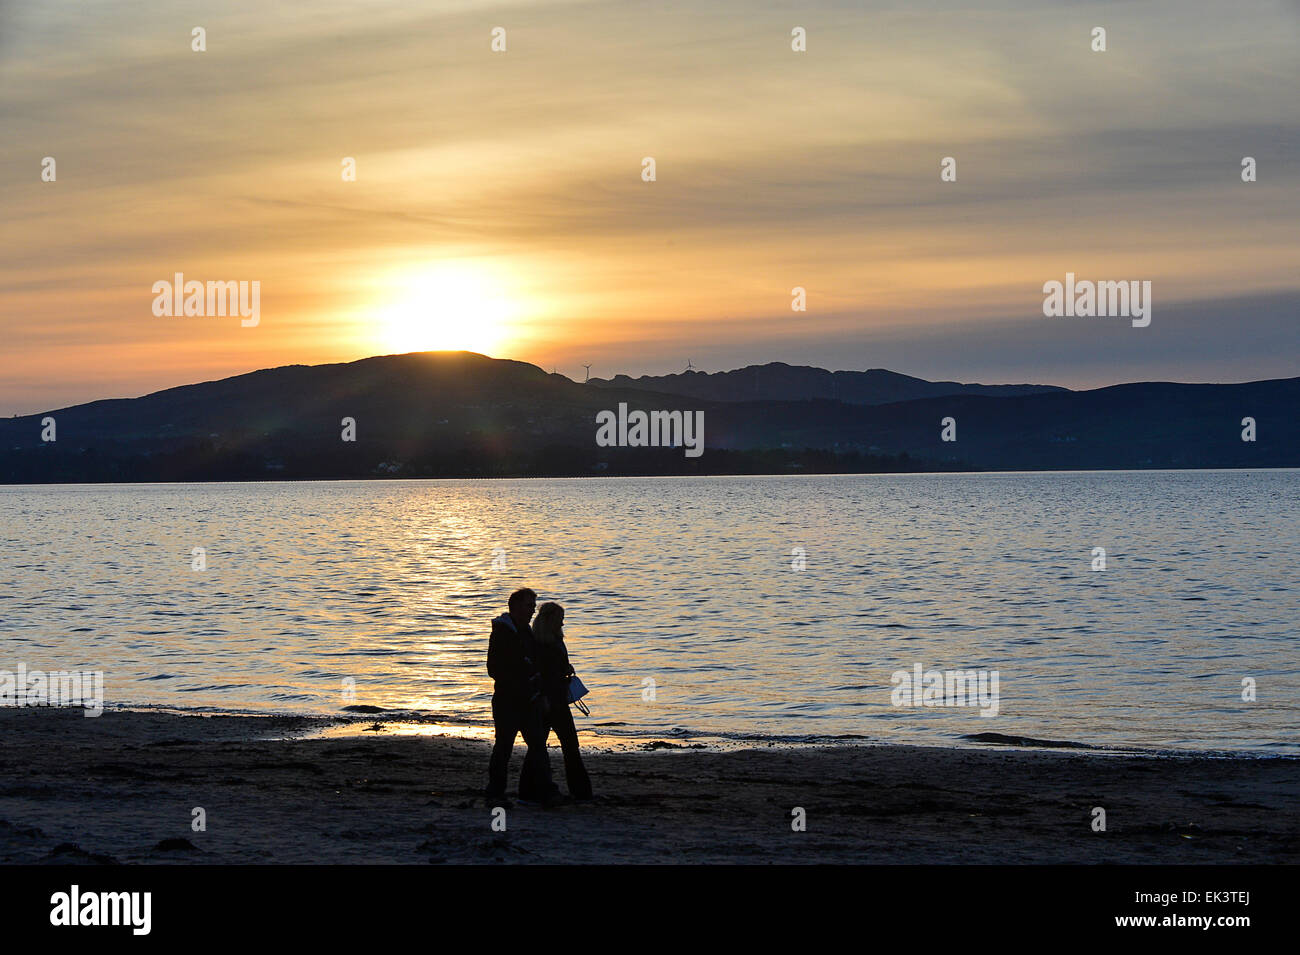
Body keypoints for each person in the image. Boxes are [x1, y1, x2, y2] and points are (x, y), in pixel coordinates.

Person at [485, 588, 561, 806]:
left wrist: (539, 688)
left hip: (529, 700)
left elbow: (536, 662)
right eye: (529, 606)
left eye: (533, 606)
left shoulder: (526, 632)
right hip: (508, 701)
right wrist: (522, 676)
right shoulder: (502, 633)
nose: (532, 611)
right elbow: (494, 669)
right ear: (516, 607)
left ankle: (546, 790)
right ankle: (495, 793)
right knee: (504, 748)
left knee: (538, 746)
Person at [531, 602, 593, 801]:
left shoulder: (547, 640)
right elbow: (543, 673)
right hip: (551, 701)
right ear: (551, 620)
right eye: (560, 619)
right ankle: (580, 792)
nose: (563, 623)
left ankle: (534, 790)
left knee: (540, 747)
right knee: (568, 746)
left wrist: (565, 669)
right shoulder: (544, 644)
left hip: (551, 699)